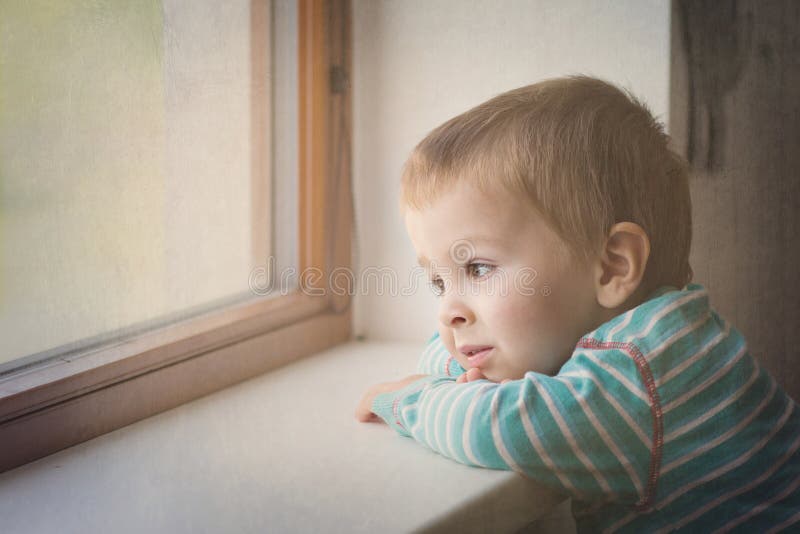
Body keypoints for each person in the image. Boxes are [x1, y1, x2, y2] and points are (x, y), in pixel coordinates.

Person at [354, 75, 800, 532]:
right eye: (438, 281)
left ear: (611, 267)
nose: (448, 312)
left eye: (479, 269)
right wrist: (457, 363)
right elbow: (446, 351)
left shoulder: (639, 376)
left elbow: (496, 428)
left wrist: (409, 400)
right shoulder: (659, 333)